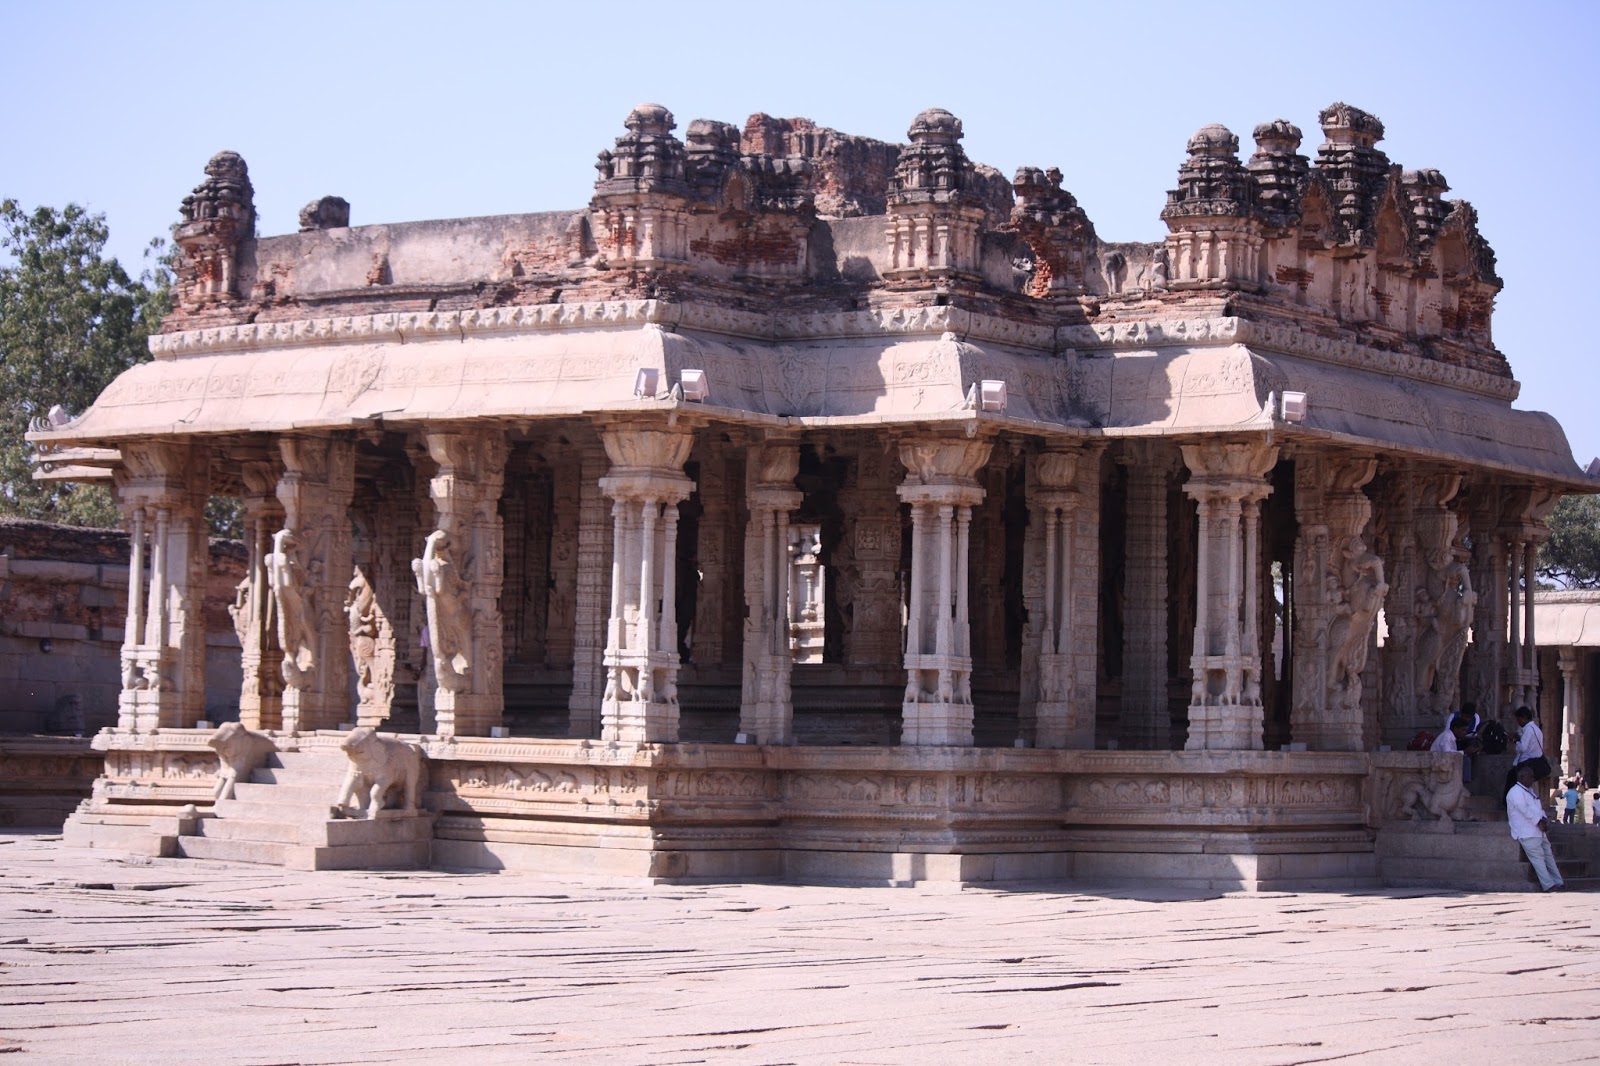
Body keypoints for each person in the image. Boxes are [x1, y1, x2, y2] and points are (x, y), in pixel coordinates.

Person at [1507, 764, 1564, 892]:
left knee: (1548, 856)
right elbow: (1524, 810)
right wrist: (1539, 821)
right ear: (1522, 777)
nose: (1533, 779)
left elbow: (1539, 808)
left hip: (1539, 831)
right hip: (1526, 831)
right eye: (1530, 777)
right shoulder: (1515, 792)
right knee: (1538, 859)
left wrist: (1544, 820)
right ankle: (1548, 885)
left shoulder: (1531, 792)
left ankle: (1559, 882)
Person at [1504, 707, 1549, 801]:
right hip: (1535, 761)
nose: (1518, 722)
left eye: (1519, 719)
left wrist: (1515, 741)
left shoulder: (1528, 729)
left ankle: (1508, 803)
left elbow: (1523, 747)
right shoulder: (1536, 729)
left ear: (1523, 717)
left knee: (1512, 780)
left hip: (1527, 763)